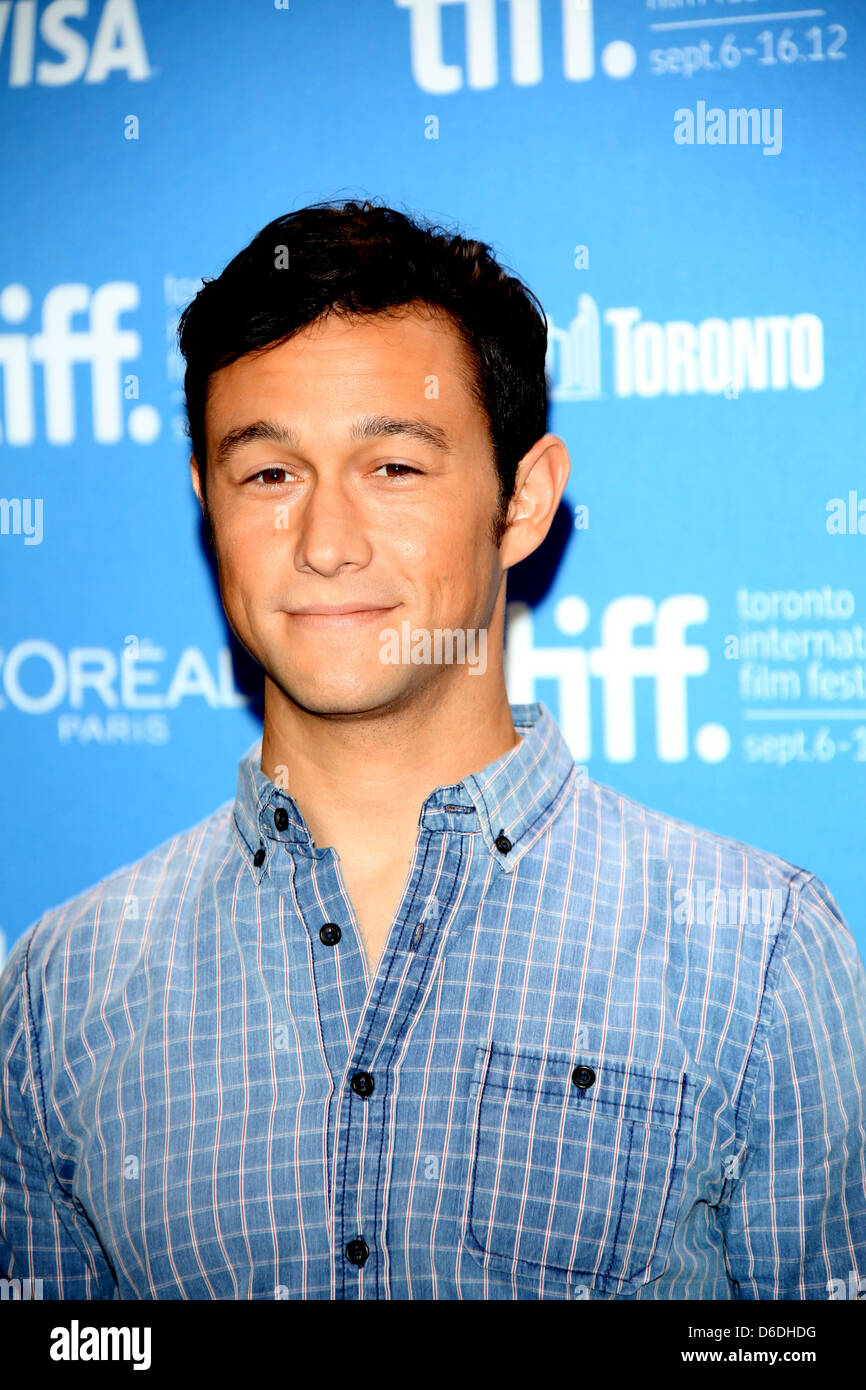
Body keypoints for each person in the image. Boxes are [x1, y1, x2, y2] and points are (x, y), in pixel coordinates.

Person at [1, 199, 864, 1301]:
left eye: (393, 469)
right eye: (269, 475)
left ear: (523, 500)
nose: (324, 544)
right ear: (206, 504)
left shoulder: (758, 956)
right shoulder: (59, 991)